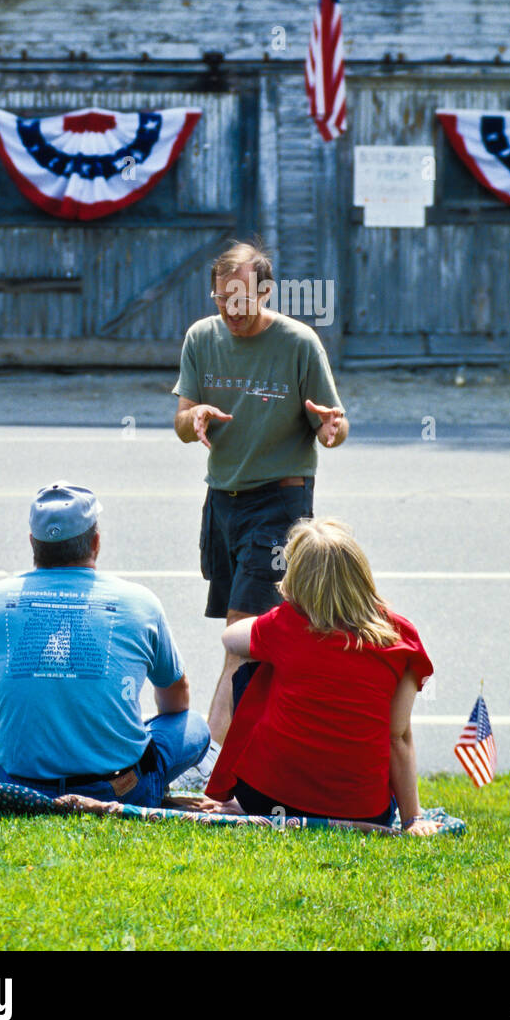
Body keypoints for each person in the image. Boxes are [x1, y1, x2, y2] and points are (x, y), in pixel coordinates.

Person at [170, 239, 348, 789]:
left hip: (280, 501)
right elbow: (179, 422)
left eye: (241, 298)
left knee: (240, 636)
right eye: (222, 297)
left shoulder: (298, 343)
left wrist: (329, 428)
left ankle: (210, 769)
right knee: (259, 642)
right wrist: (194, 415)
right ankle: (269, 754)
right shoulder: (201, 337)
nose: (230, 309)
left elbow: (335, 426)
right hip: (222, 500)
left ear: (266, 292)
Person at [0, 482, 209, 806]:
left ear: (33, 543)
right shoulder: (140, 602)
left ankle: (11, 788)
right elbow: (177, 699)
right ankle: (140, 787)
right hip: (118, 787)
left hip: (17, 782)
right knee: (193, 726)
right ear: (95, 541)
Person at [202, 516, 439, 836]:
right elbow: (399, 738)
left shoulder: (286, 625)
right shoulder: (400, 638)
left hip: (266, 799)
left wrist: (283, 615)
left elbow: (231, 638)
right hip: (365, 810)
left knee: (255, 667)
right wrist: (412, 819)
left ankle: (243, 784)